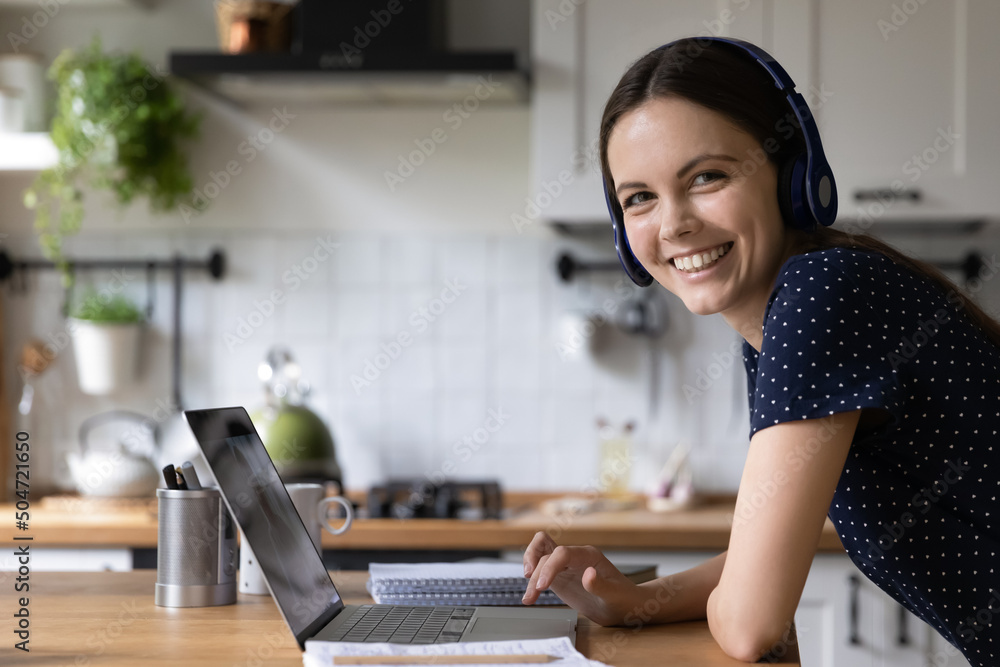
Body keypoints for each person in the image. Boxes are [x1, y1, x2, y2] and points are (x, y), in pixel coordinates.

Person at [521, 37, 1000, 666]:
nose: (673, 224)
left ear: (793, 177)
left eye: (707, 177)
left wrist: (704, 602)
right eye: (639, 197)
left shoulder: (819, 294)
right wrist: (633, 601)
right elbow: (757, 558)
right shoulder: (786, 315)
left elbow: (749, 624)